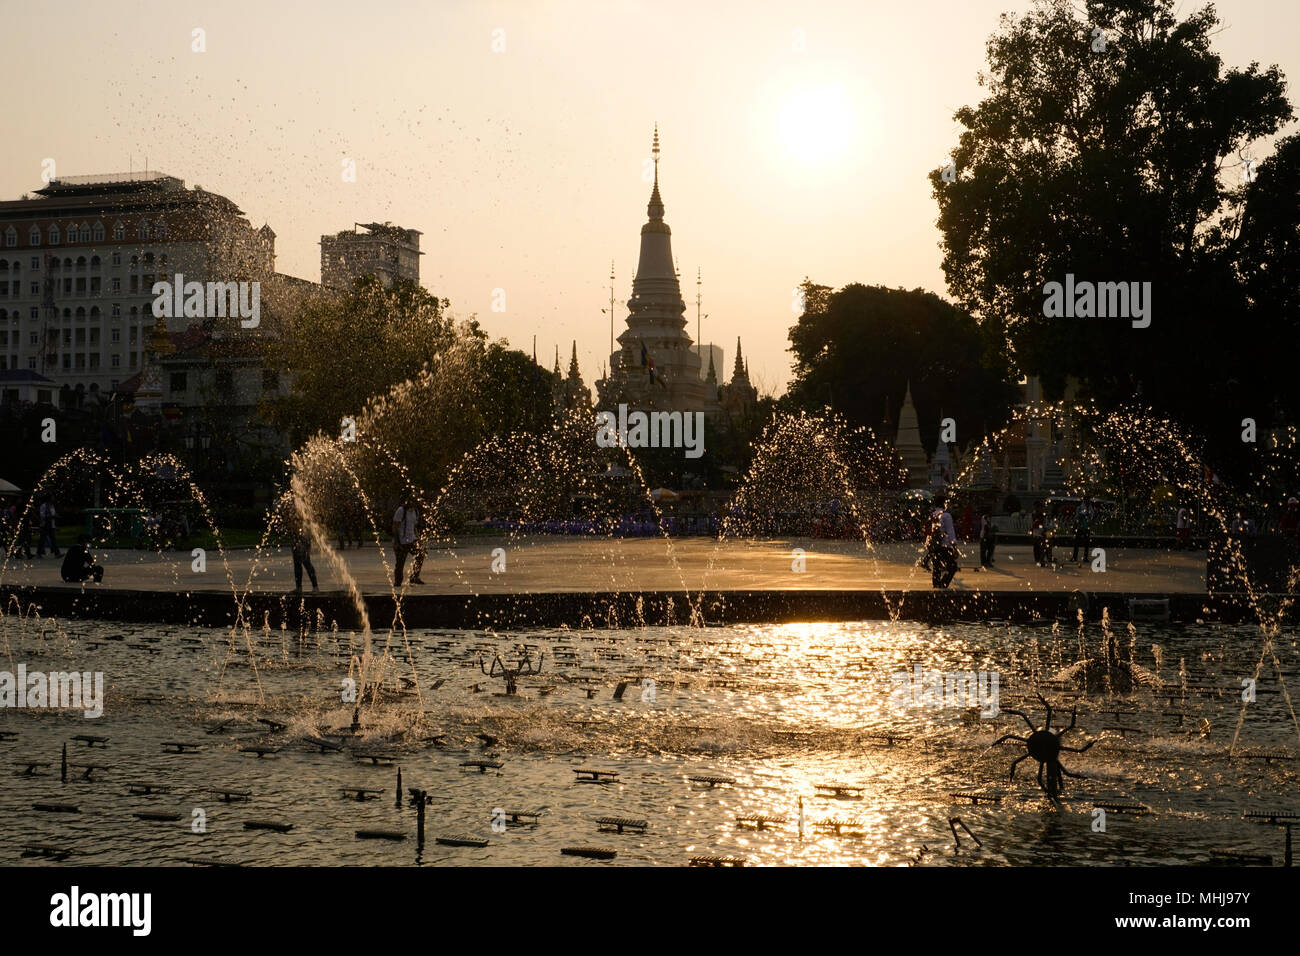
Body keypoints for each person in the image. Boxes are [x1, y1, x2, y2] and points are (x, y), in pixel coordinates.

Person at [926, 494, 959, 588]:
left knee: (936, 568)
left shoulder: (933, 514)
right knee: (952, 567)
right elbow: (950, 532)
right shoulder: (946, 515)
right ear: (945, 503)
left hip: (934, 546)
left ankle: (936, 587)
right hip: (944, 546)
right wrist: (955, 547)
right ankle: (943, 585)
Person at [392, 494, 425, 587]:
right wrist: (396, 542)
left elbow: (414, 527)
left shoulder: (415, 511)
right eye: (413, 501)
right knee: (400, 562)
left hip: (412, 540)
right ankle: (398, 581)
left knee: (420, 555)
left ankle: (414, 577)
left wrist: (419, 540)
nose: (414, 503)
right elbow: (395, 526)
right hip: (402, 541)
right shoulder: (401, 510)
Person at [1071, 496, 1093, 564]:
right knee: (1077, 543)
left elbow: (1091, 518)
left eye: (1088, 500)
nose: (1087, 501)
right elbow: (1077, 517)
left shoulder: (1090, 508)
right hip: (1080, 527)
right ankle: (1075, 557)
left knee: (1086, 544)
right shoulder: (1080, 508)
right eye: (1086, 500)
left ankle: (1085, 557)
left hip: (1086, 528)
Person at [1031, 502, 1047, 567]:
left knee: (1040, 546)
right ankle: (1039, 559)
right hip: (1037, 530)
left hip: (1038, 530)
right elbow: (1036, 522)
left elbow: (1043, 522)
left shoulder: (1040, 514)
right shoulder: (1036, 514)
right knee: (1038, 545)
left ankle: (1040, 559)